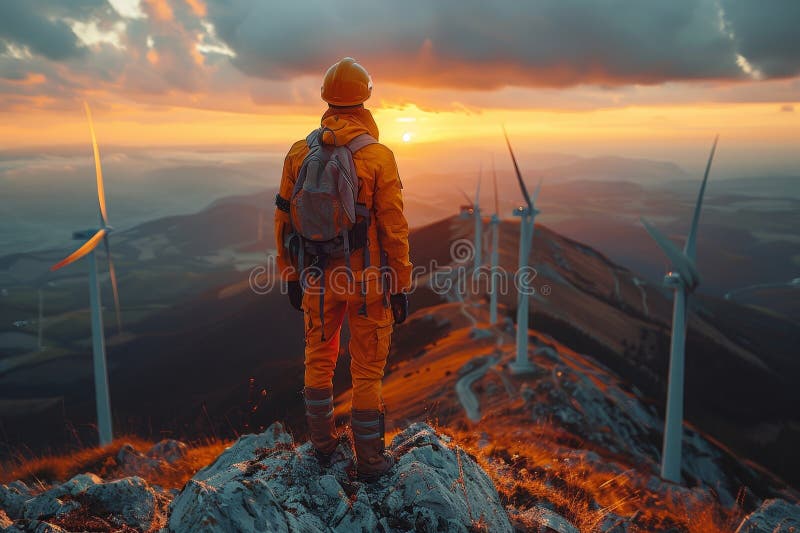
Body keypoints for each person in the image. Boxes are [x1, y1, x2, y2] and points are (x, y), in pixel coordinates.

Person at [273, 57, 412, 481]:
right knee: (366, 371)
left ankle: (322, 448)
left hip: (317, 277)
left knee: (319, 357)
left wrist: (290, 274)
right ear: (364, 99)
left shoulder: (299, 152)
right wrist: (400, 284)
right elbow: (393, 228)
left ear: (327, 99)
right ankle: (370, 463)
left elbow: (283, 220)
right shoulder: (378, 156)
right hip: (367, 284)